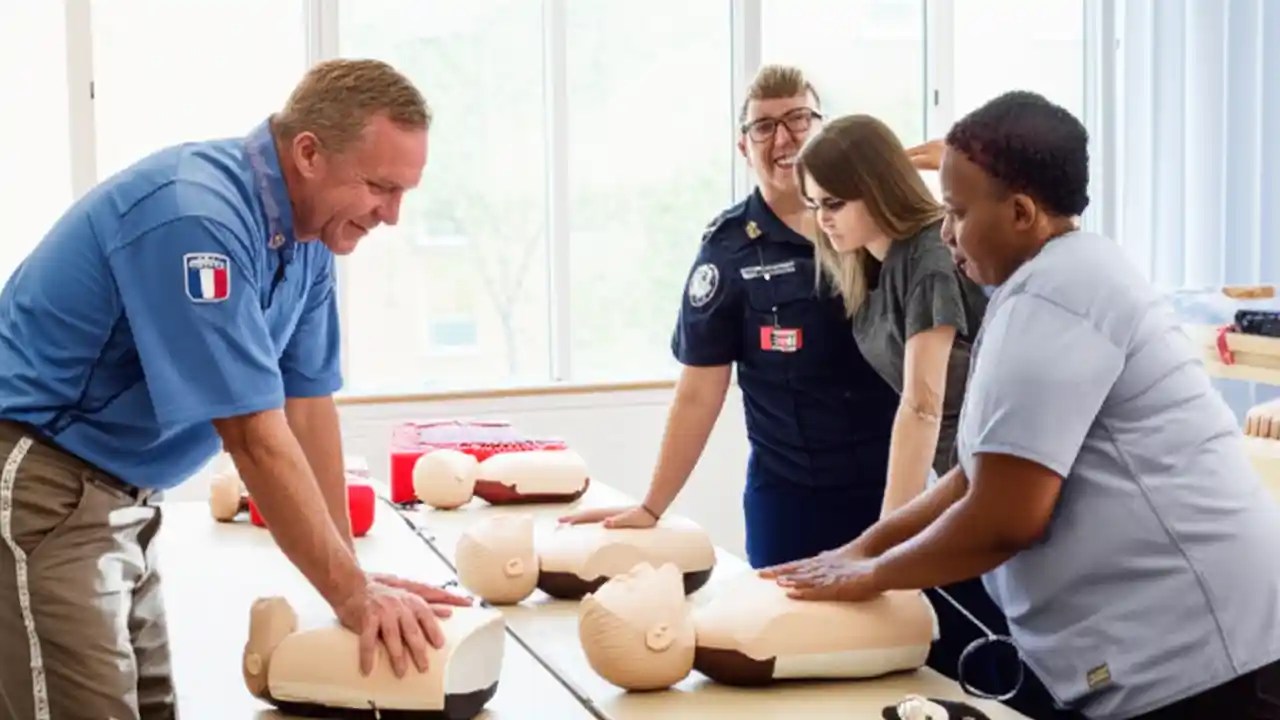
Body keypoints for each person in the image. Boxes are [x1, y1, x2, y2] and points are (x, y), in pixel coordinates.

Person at [762, 90, 1280, 719]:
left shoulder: (1059, 295)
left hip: (1204, 654)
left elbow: (1007, 517)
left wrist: (874, 573)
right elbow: (974, 472)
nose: (944, 230)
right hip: (1174, 652)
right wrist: (861, 549)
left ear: (1021, 212)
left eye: (956, 211)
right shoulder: (1037, 289)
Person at [0, 58, 472, 720]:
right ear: (308, 153)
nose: (390, 215)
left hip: (123, 495)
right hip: (40, 479)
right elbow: (253, 434)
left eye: (403, 194)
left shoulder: (308, 239)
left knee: (153, 706)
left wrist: (350, 577)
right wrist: (349, 592)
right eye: (378, 186)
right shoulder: (198, 219)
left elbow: (307, 405)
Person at [559, 64, 901, 569]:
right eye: (764, 126)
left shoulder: (880, 225)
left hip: (896, 488)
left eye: (798, 119)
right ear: (744, 147)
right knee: (789, 643)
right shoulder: (728, 251)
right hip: (794, 502)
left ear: (822, 128)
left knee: (920, 642)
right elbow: (699, 392)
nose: (784, 138)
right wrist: (652, 505)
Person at [793, 114, 1068, 720]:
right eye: (813, 204)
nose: (823, 218)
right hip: (955, 476)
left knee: (1008, 667)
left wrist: (880, 558)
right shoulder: (871, 263)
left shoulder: (928, 256)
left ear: (878, 185)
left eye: (835, 201)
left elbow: (921, 404)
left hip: (1002, 474)